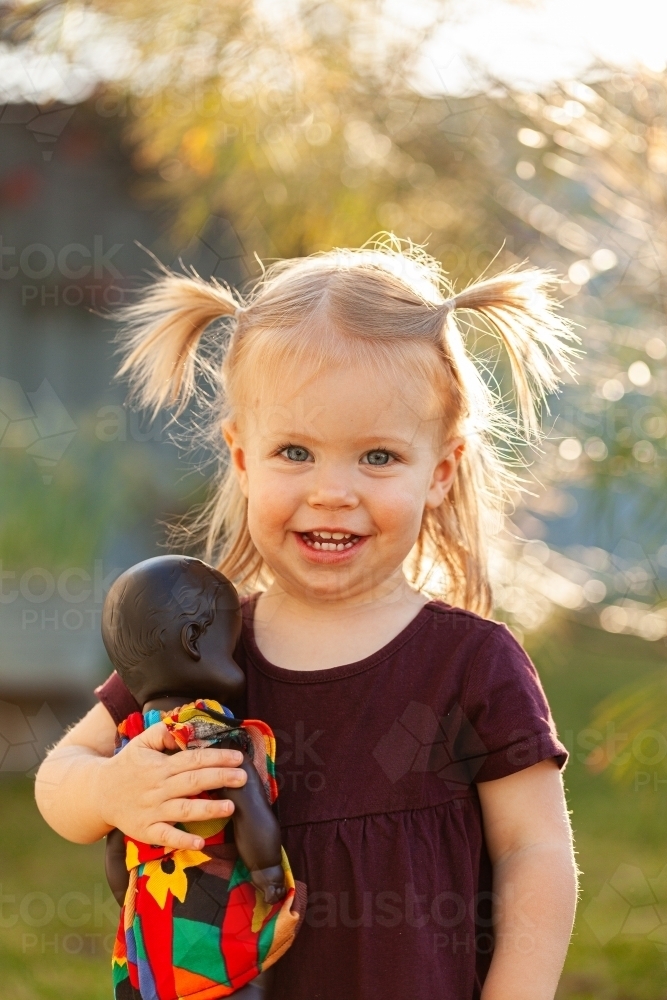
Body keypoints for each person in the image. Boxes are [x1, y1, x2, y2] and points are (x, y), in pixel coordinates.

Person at [35, 235, 579, 1000]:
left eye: (378, 457)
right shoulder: (201, 646)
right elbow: (60, 778)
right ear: (241, 457)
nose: (332, 491)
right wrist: (110, 792)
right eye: (295, 451)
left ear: (440, 471)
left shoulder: (470, 664)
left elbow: (534, 852)